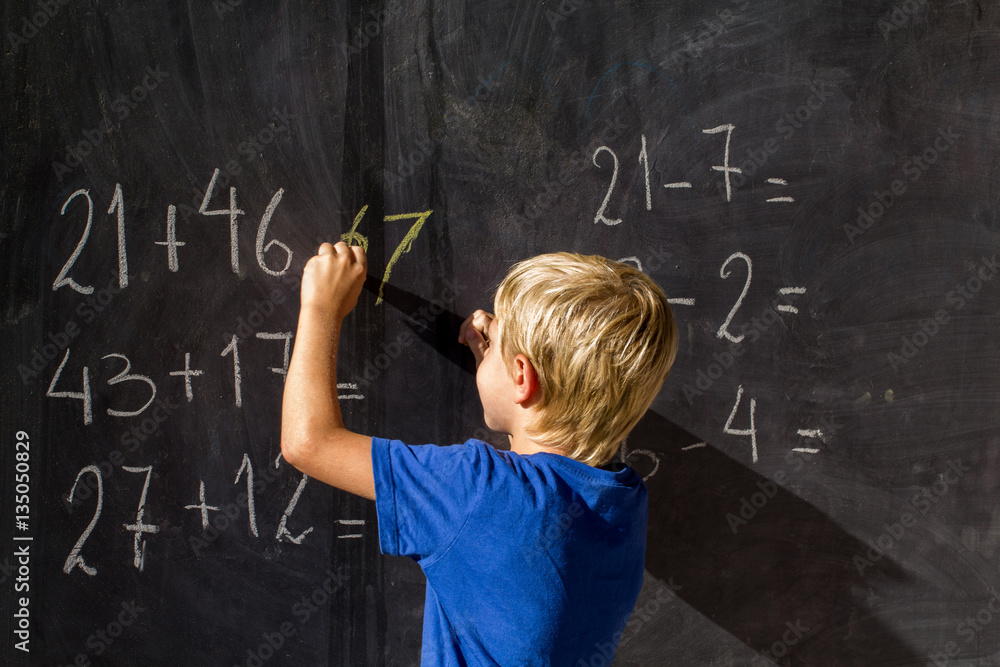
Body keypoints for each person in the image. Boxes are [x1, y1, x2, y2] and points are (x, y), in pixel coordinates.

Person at [281, 241, 678, 665]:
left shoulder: (475, 487)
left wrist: (321, 308)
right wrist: (500, 364)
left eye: (497, 342)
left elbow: (309, 443)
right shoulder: (624, 500)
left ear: (522, 376)